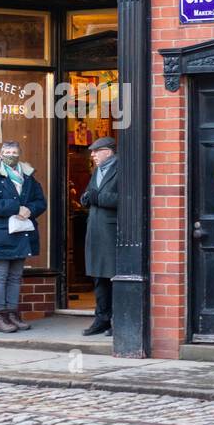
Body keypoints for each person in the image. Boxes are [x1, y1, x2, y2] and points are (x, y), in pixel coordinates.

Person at [0, 140, 47, 333]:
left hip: (21, 232)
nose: (11, 154)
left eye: (14, 151)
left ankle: (12, 314)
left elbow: (40, 201)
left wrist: (29, 210)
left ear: (19, 154)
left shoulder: (28, 176)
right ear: (0, 154)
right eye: (7, 151)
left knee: (16, 276)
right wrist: (16, 208)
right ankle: (0, 317)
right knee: (1, 275)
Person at [80, 136, 118, 336]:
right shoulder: (97, 171)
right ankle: (101, 318)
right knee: (98, 278)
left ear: (108, 151)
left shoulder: (122, 168)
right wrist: (85, 197)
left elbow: (127, 197)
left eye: (96, 151)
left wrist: (98, 198)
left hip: (111, 231)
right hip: (94, 229)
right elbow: (90, 193)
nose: (93, 155)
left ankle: (116, 319)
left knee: (113, 277)